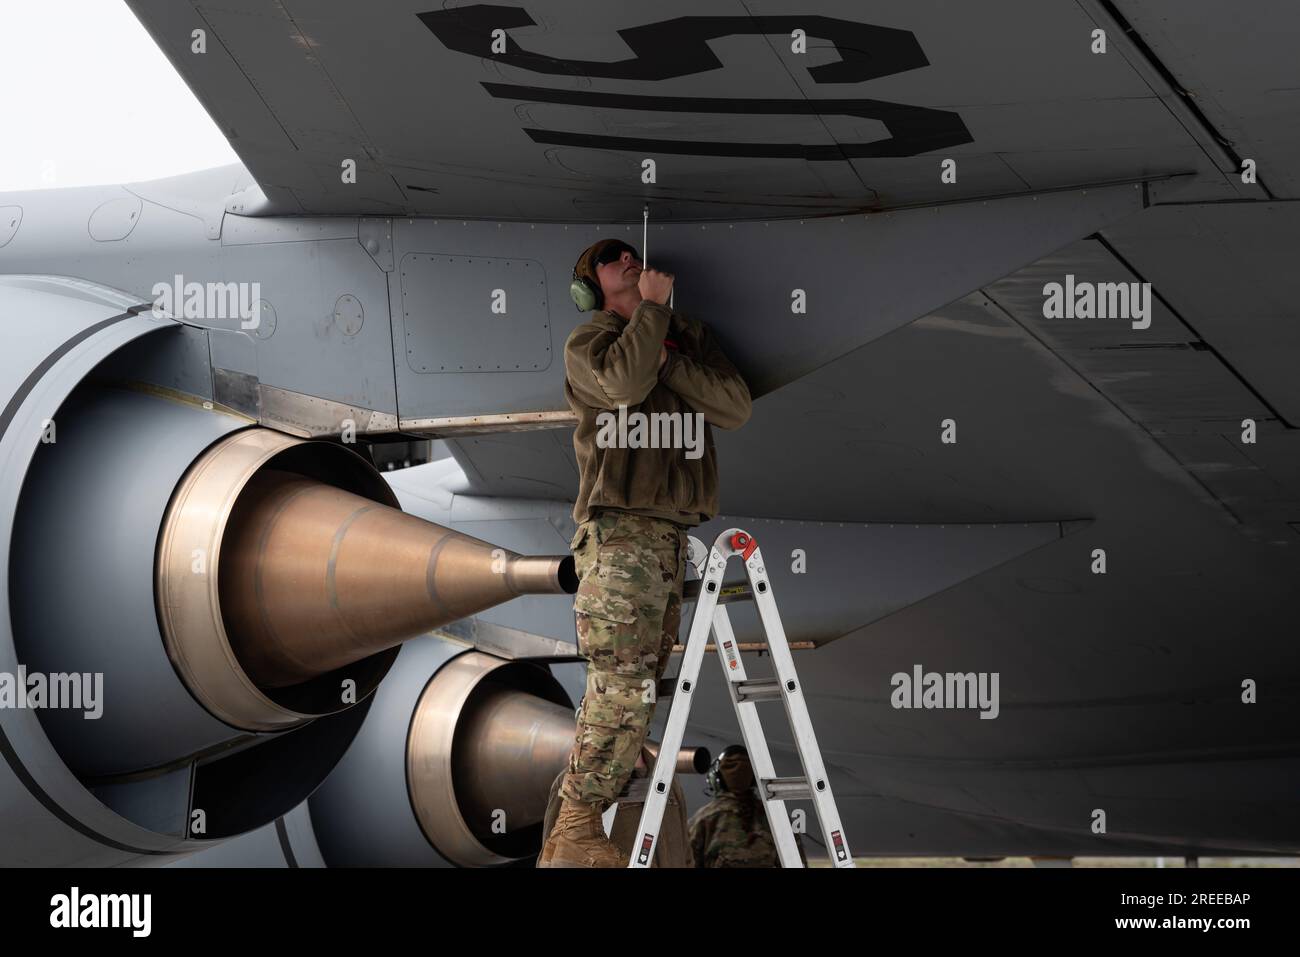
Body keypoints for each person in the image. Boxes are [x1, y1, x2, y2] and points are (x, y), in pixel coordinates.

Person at [538, 238, 752, 867]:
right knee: (622, 686)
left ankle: (575, 831)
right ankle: (576, 824)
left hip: (666, 539)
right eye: (611, 258)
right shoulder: (590, 342)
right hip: (621, 534)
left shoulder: (683, 337)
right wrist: (652, 319)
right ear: (591, 286)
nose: (628, 259)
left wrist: (666, 349)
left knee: (637, 688)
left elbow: (734, 407)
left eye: (631, 253)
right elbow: (624, 385)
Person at [689, 745, 802, 868]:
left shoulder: (703, 819)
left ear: (716, 779)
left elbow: (685, 861)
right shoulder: (777, 819)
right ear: (753, 778)